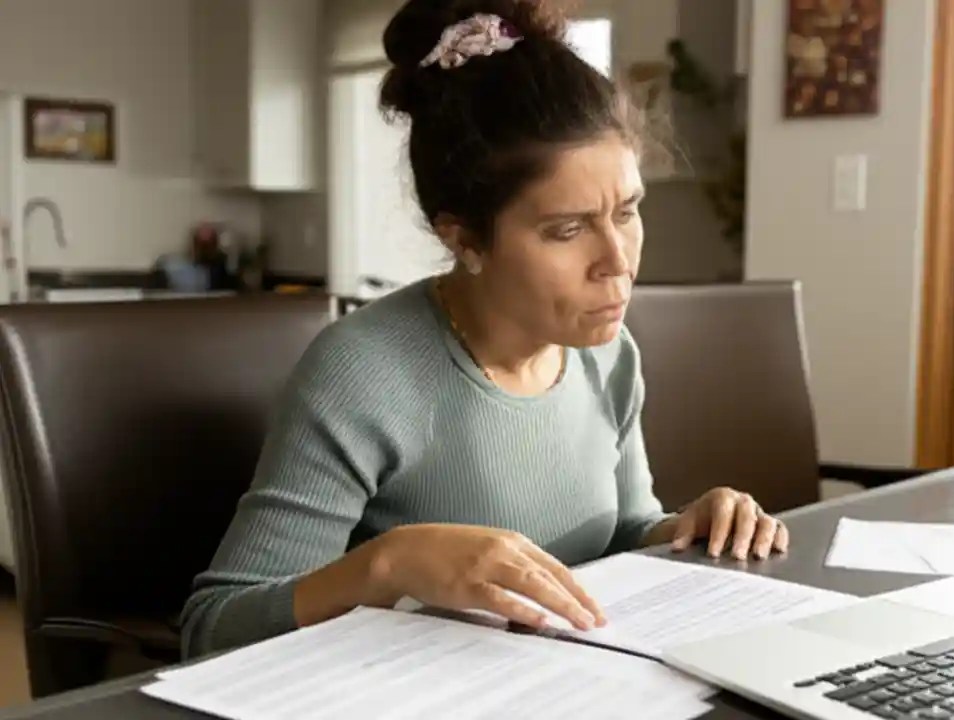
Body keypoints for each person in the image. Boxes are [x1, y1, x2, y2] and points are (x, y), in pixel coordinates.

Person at [180, 0, 789, 660]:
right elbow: (212, 630)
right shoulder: (364, 372)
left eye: (628, 210)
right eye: (567, 229)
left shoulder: (607, 354)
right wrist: (390, 564)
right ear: (464, 237)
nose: (618, 261)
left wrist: (685, 528)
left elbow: (622, 529)